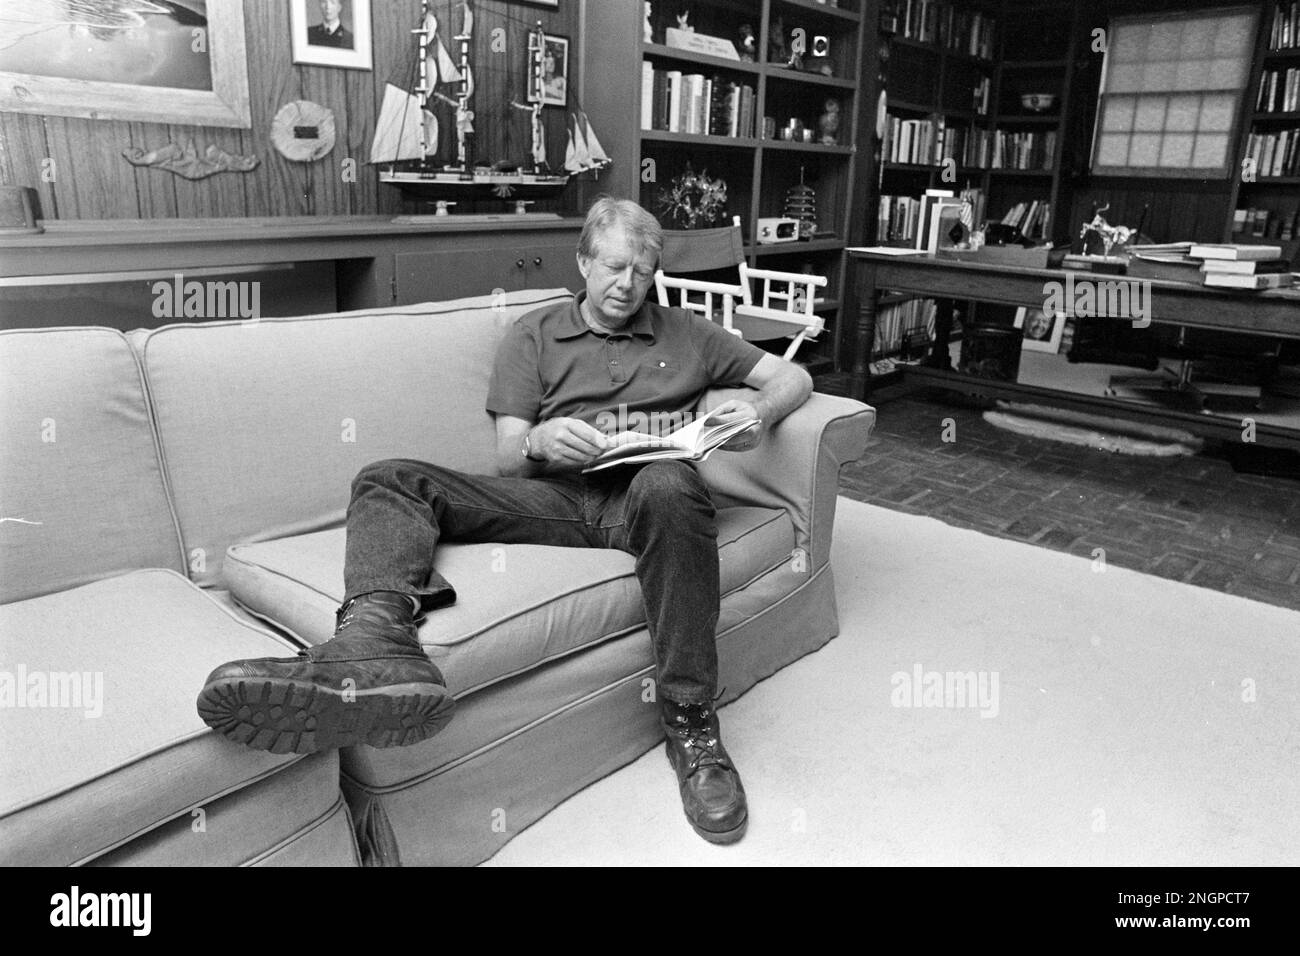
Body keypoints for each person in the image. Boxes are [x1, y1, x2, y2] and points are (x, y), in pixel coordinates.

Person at [196, 197, 813, 846]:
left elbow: (790, 375)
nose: (626, 283)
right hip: (556, 499)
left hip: (653, 501)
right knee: (390, 477)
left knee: (666, 480)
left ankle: (691, 723)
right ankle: (374, 648)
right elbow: (509, 453)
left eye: (640, 269)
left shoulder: (688, 332)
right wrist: (547, 439)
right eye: (612, 267)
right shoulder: (536, 334)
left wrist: (759, 413)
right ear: (583, 261)